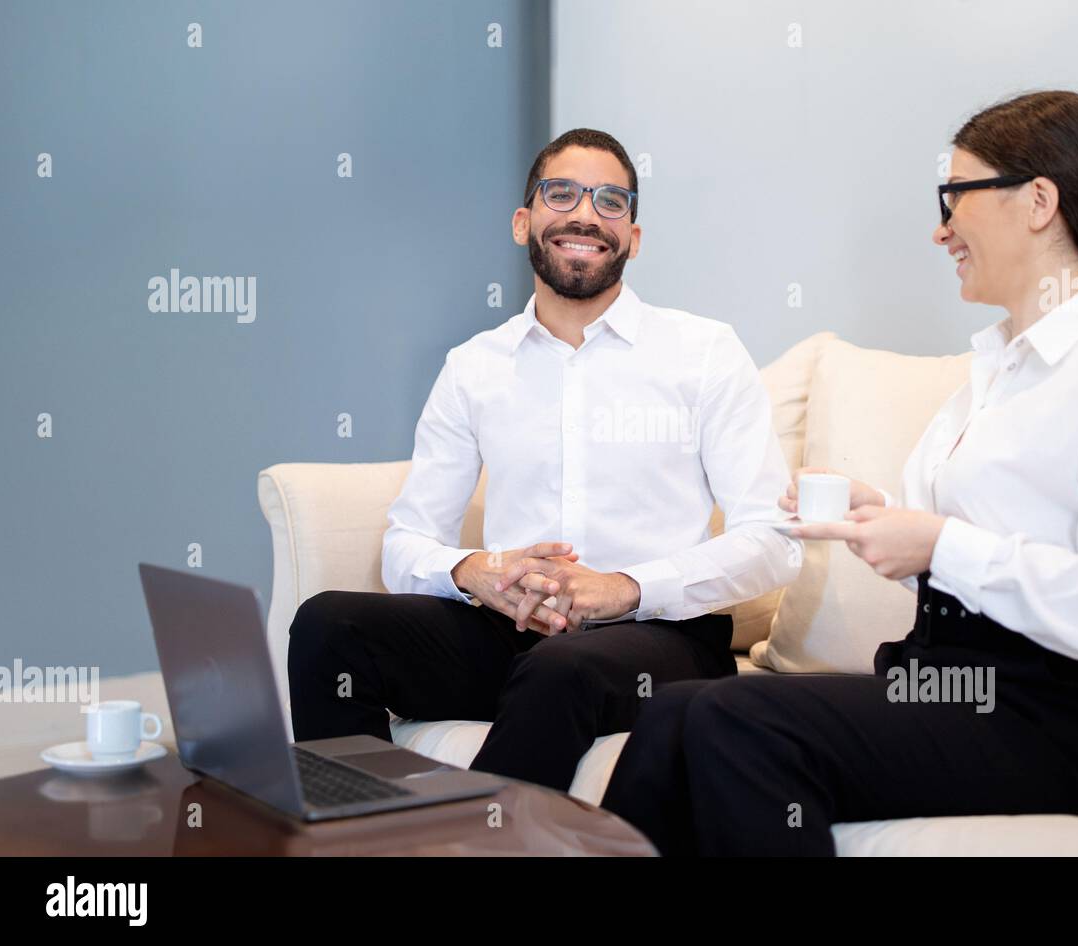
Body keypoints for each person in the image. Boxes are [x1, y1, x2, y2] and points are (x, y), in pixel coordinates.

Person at [599, 91, 1078, 856]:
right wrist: (884, 518)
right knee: (672, 713)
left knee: (736, 724)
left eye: (955, 197)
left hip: (1053, 721)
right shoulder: (995, 372)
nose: (940, 228)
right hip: (943, 681)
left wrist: (940, 545)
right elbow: (978, 538)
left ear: (1038, 201)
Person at [286, 128, 801, 792]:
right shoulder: (475, 366)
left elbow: (775, 541)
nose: (585, 214)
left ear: (633, 237)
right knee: (329, 625)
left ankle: (472, 837)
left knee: (560, 670)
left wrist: (627, 587)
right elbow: (406, 541)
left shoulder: (704, 353)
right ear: (523, 222)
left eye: (610, 201)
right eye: (562, 194)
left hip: (663, 641)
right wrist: (473, 572)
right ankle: (357, 827)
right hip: (510, 634)